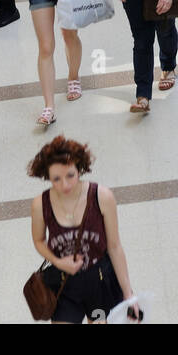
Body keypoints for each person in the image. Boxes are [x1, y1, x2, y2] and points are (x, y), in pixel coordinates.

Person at [28, 135, 139, 324]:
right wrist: (58, 261)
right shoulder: (40, 204)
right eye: (56, 179)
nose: (65, 185)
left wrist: (129, 294)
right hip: (64, 283)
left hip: (99, 281)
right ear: (47, 176)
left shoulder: (102, 197)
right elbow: (39, 240)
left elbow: (114, 247)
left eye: (70, 175)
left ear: (79, 168)